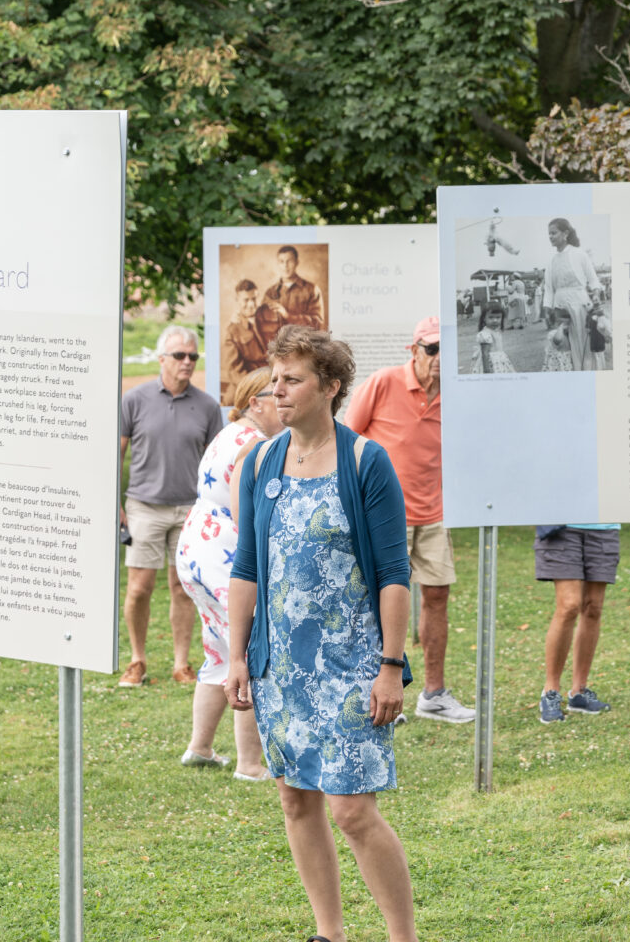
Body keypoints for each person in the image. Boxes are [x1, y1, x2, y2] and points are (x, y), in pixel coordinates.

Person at [226, 325, 418, 942]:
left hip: (352, 663)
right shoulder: (260, 460)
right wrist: (236, 655)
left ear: (330, 387)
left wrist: (392, 664)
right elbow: (247, 567)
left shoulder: (365, 461)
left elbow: (393, 573)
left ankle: (402, 937)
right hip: (280, 665)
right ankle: (329, 933)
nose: (276, 391)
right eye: (274, 379)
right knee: (295, 800)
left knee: (353, 810)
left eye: (292, 380)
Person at [345, 316, 473, 724]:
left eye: (445, 352)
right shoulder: (383, 382)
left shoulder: (454, 394)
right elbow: (347, 438)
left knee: (437, 596)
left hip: (433, 513)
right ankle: (378, 689)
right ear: (413, 350)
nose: (438, 359)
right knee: (376, 600)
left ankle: (433, 694)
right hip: (382, 515)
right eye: (431, 349)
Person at [174, 367, 283, 779]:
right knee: (247, 650)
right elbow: (245, 510)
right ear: (255, 402)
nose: (284, 401)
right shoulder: (253, 444)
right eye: (277, 393)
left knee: (219, 652)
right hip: (223, 553)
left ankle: (200, 748)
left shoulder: (229, 431)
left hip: (195, 547)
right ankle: (250, 764)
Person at [119, 324, 224, 687]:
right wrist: (115, 507)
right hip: (144, 506)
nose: (187, 362)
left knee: (183, 587)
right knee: (138, 587)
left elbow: (216, 460)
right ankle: (137, 659)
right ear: (161, 358)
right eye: (179, 355)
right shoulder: (134, 399)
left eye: (193, 356)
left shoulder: (208, 406)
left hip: (190, 511)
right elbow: (116, 454)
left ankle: (182, 664)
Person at [534, 524, 619, 723]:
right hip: (561, 525)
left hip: (604, 526)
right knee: (569, 605)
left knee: (593, 607)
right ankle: (551, 692)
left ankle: (579, 692)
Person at [542, 217, 603, 371]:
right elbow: (549, 288)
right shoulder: (551, 261)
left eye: (553, 233)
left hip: (579, 303)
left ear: (565, 233)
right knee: (563, 343)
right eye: (549, 234)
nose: (550, 237)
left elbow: (593, 280)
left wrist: (595, 295)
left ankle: (586, 370)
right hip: (560, 307)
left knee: (583, 342)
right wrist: (547, 309)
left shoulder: (579, 254)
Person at [254, 245, 325, 343]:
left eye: (289, 261)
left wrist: (288, 316)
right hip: (277, 350)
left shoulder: (311, 290)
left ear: (297, 262)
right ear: (277, 264)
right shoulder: (270, 292)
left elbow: (318, 324)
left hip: (304, 348)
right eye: (281, 262)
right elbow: (260, 323)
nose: (285, 266)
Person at [221, 279, 270, 405]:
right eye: (246, 300)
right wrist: (257, 388)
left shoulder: (269, 318)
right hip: (247, 382)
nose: (251, 304)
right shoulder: (233, 330)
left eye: (254, 299)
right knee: (229, 404)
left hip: (273, 379)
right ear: (237, 301)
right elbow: (234, 370)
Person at [475, 304, 516, 374]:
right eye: (491, 317)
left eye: (498, 317)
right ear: (484, 318)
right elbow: (485, 353)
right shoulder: (485, 334)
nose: (495, 320)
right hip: (491, 363)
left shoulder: (496, 331)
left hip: (500, 360)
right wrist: (487, 370)